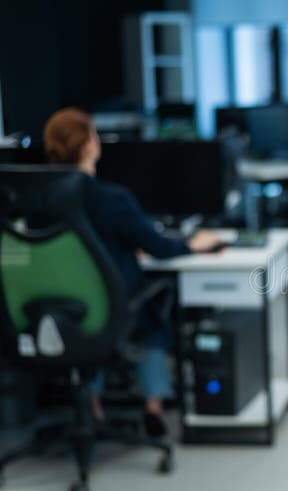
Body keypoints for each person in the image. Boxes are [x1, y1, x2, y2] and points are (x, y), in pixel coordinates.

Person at [43, 107, 222, 437]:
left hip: (57, 312)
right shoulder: (112, 199)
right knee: (150, 315)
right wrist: (195, 244)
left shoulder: (38, 201)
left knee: (90, 322)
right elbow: (160, 247)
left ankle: (92, 404)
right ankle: (153, 404)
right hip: (113, 309)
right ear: (89, 147)